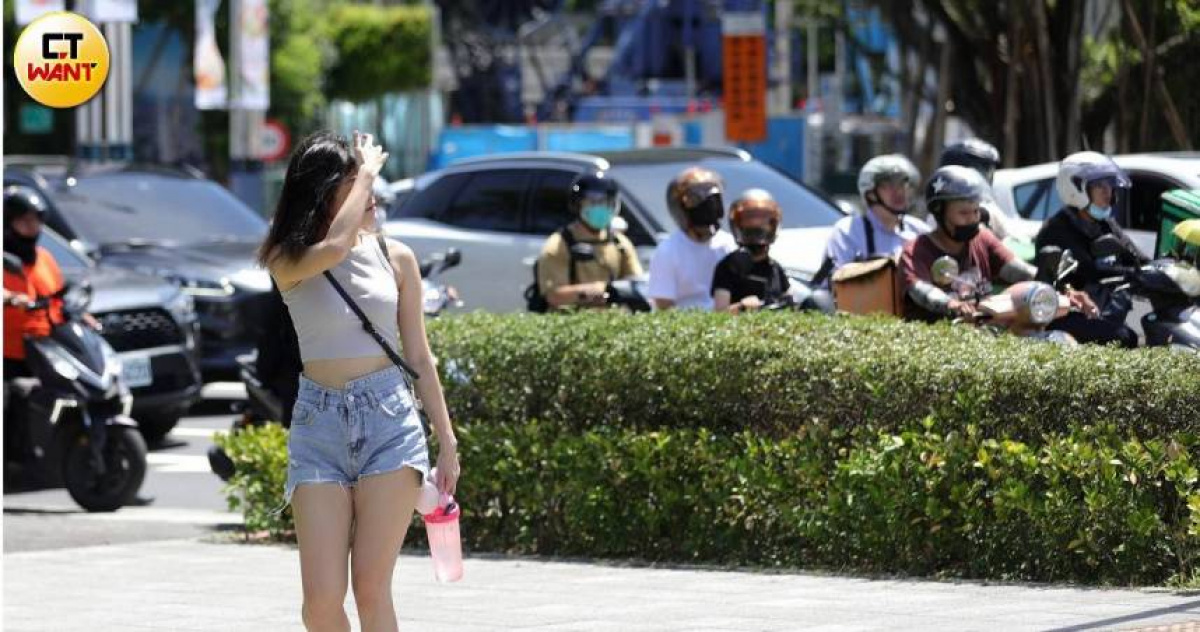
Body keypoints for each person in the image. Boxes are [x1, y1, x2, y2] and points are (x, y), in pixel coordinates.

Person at [258, 131, 459, 631]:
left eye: (365, 185)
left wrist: (448, 439)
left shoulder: (397, 258)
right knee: (321, 604)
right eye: (351, 186)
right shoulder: (288, 258)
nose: (369, 195)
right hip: (318, 427)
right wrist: (366, 170)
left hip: (390, 421)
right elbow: (334, 246)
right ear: (322, 192)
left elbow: (418, 353)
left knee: (371, 590)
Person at [901, 166, 1102, 332]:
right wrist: (953, 305)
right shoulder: (917, 250)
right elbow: (921, 290)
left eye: (976, 211)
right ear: (939, 212)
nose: (972, 219)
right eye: (963, 213)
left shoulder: (982, 238)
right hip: (943, 337)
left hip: (988, 331)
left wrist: (1063, 289)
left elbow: (1019, 270)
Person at [1033, 151, 1146, 348]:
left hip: (1104, 309)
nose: (1107, 192)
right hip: (1069, 313)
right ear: (1075, 188)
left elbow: (1135, 256)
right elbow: (1088, 270)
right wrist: (1132, 273)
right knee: (1126, 338)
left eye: (1109, 185)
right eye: (1099, 186)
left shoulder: (1105, 224)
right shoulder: (1057, 229)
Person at [3, 185, 67, 467]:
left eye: (36, 220)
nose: (31, 227)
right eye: (24, 220)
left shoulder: (45, 258)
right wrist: (10, 298)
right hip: (9, 353)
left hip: (42, 349)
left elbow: (58, 297)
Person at [532, 170, 642, 310]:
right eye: (594, 202)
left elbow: (636, 284)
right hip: (572, 326)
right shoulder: (558, 246)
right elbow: (554, 296)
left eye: (607, 203)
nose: (602, 208)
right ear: (578, 204)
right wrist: (602, 291)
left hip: (614, 325)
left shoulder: (620, 244)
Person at [818, 154, 928, 285]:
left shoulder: (919, 230)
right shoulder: (848, 232)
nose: (899, 191)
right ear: (870, 193)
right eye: (888, 185)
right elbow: (835, 285)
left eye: (904, 184)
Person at [647, 166, 738, 310]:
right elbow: (664, 305)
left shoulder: (728, 245)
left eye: (713, 199)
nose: (708, 206)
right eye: (697, 200)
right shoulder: (668, 251)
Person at [711, 189, 791, 313]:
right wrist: (742, 307)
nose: (756, 225)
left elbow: (790, 303)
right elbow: (719, 313)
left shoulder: (775, 268)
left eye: (763, 220)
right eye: (750, 219)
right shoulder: (727, 267)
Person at [938, 138, 1014, 240]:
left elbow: (1010, 235)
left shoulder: (986, 206)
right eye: (980, 172)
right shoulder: (941, 209)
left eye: (987, 172)